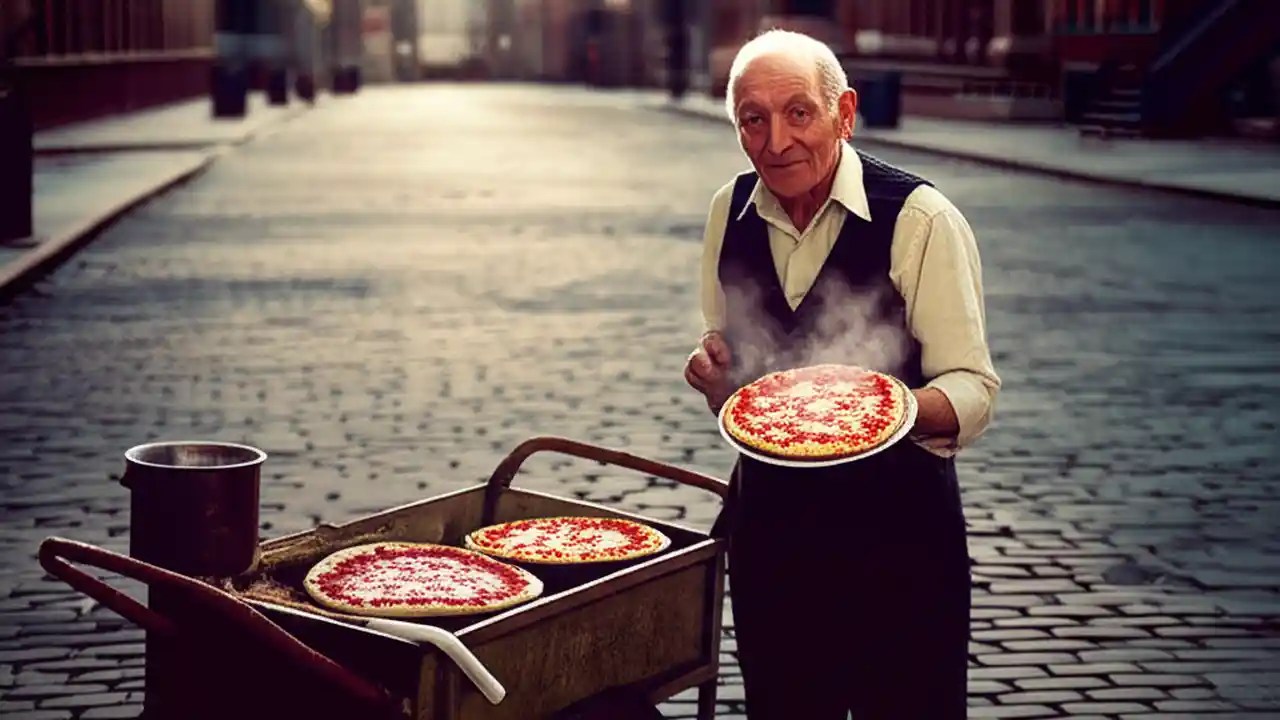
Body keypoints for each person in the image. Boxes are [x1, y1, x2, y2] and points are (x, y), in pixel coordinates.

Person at [684, 29, 1001, 719]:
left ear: (845, 113)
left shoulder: (920, 219)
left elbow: (975, 389)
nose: (776, 142)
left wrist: (872, 410)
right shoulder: (727, 211)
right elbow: (740, 388)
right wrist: (719, 381)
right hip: (772, 542)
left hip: (901, 543)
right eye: (752, 119)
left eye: (799, 112)